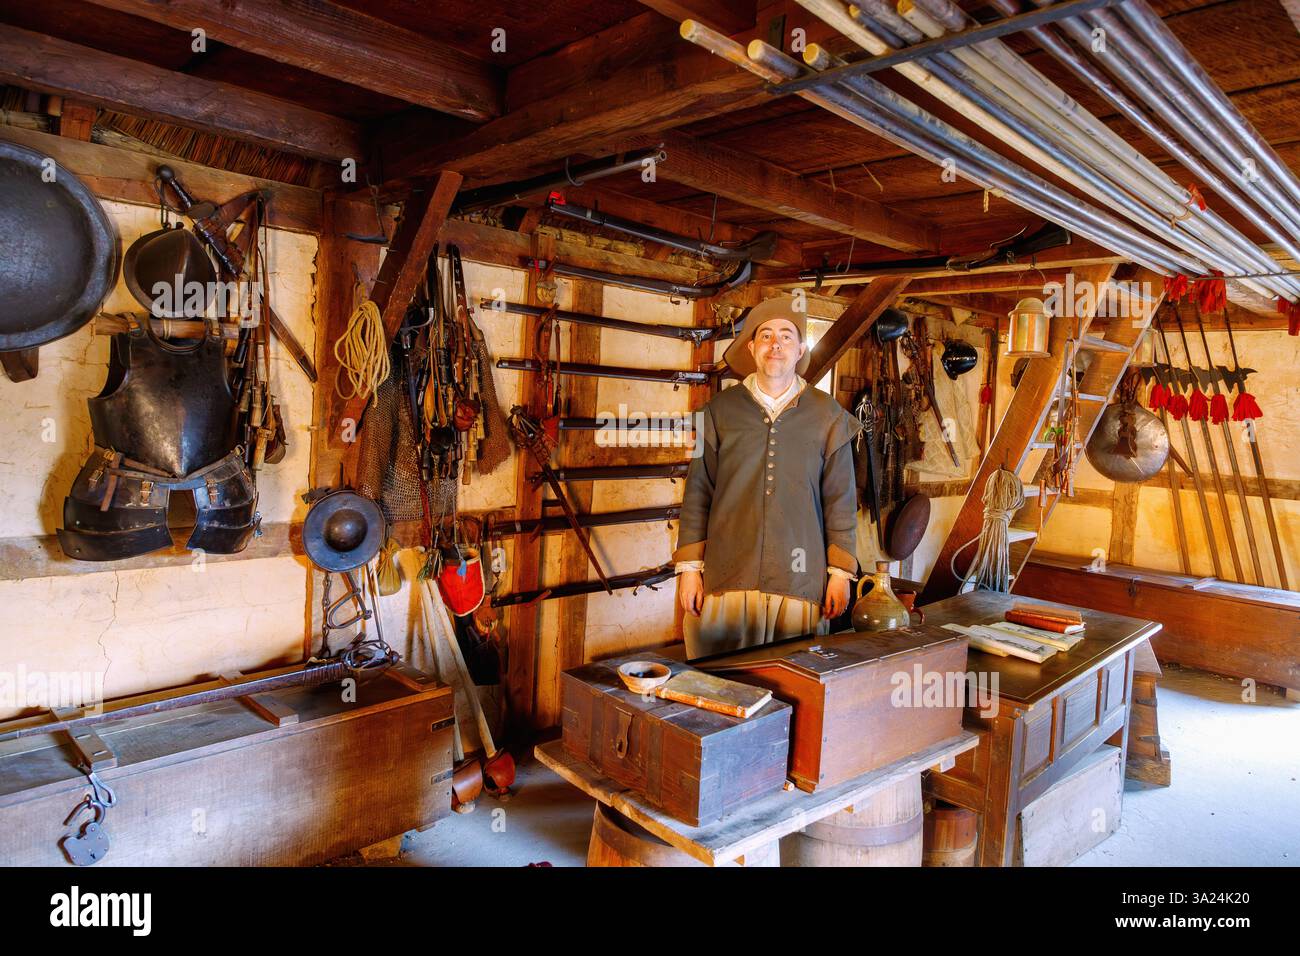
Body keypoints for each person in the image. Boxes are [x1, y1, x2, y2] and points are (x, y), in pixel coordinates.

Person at [674, 296, 862, 659]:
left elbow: (841, 500)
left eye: (786, 336)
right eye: (766, 336)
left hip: (799, 580)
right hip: (726, 576)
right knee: (718, 681)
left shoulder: (828, 417)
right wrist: (689, 569)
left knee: (793, 686)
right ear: (752, 347)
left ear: (800, 349)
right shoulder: (718, 412)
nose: (776, 345)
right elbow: (698, 491)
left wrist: (839, 573)